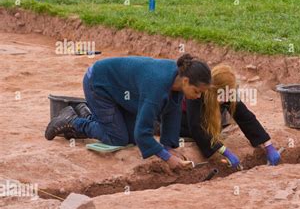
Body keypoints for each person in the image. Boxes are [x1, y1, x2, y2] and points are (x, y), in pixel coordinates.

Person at [45, 53, 211, 170]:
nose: (198, 97)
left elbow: (171, 115)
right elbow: (143, 134)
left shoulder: (177, 79)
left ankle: (86, 113)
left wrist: (169, 147)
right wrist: (167, 158)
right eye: (197, 91)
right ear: (187, 80)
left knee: (130, 137)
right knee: (118, 138)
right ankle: (72, 121)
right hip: (98, 83)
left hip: (122, 92)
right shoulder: (157, 86)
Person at [180, 64, 281, 168]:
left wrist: (268, 145)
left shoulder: (227, 94)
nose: (226, 99)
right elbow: (195, 126)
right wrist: (224, 151)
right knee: (195, 131)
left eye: (229, 94)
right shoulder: (197, 92)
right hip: (183, 121)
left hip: (202, 121)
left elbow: (245, 117)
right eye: (222, 94)